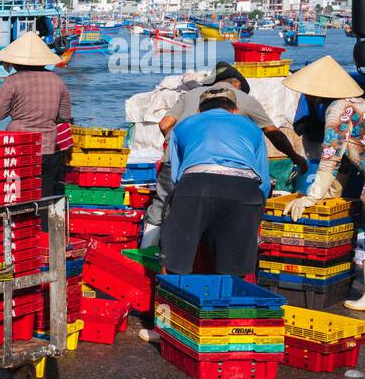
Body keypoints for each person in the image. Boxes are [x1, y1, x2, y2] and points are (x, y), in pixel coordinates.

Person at [142, 61, 309, 248]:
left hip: (176, 161)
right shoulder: (243, 100)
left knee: (160, 206)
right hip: (221, 170)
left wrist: (179, 145)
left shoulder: (189, 95)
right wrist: (295, 157)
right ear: (236, 84)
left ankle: (146, 254)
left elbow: (164, 124)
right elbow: (273, 133)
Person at [276, 56, 365, 309]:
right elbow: (347, 158)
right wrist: (331, 190)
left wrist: (312, 196)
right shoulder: (358, 103)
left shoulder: (337, 109)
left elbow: (330, 159)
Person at [160, 85, 270, 276]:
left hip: (194, 186)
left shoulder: (183, 126)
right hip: (244, 190)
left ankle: (170, 300)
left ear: (199, 111)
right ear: (235, 110)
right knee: (234, 271)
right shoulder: (253, 128)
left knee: (175, 263)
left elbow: (177, 175)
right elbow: (263, 180)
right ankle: (230, 300)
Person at [0, 31, 72, 198]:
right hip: (49, 149)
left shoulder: (12, 81)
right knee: (45, 195)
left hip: (19, 148)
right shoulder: (57, 81)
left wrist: (17, 109)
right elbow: (65, 117)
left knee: (18, 195)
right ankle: (43, 223)